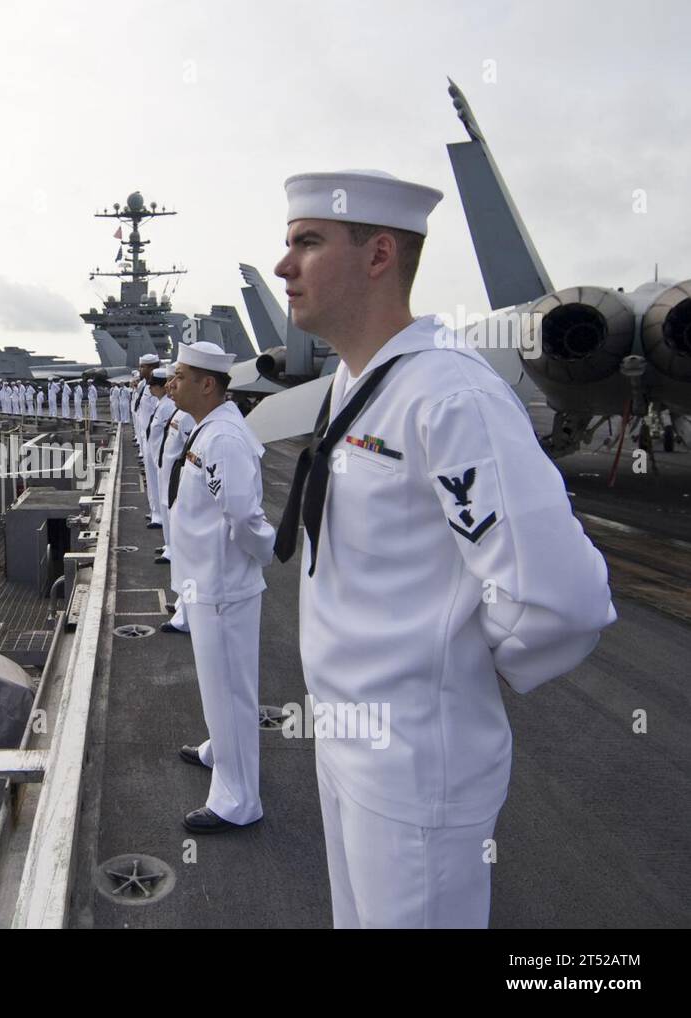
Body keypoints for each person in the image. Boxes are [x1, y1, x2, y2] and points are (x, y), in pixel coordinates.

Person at [271, 168, 617, 928]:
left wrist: (441, 671)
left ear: (378, 256)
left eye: (307, 242)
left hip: (415, 769)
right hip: (345, 745)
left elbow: (560, 599)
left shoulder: (451, 395)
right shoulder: (354, 384)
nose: (282, 265)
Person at [167, 341, 275, 832]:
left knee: (229, 690)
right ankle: (220, 750)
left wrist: (263, 556)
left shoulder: (224, 438)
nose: (172, 383)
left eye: (181, 376)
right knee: (218, 689)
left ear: (207, 384)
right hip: (204, 581)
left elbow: (244, 517)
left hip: (222, 586)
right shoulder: (207, 429)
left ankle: (238, 800)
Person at [157, 365, 196, 632]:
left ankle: (187, 615)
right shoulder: (182, 414)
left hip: (187, 501)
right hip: (176, 493)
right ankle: (183, 607)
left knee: (191, 557)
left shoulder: (193, 421)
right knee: (183, 554)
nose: (170, 385)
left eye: (178, 379)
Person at [141, 370, 166, 529]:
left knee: (163, 493)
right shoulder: (160, 403)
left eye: (154, 385)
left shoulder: (168, 406)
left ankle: (159, 516)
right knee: (154, 485)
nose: (150, 389)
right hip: (154, 452)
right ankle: (156, 514)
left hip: (161, 456)